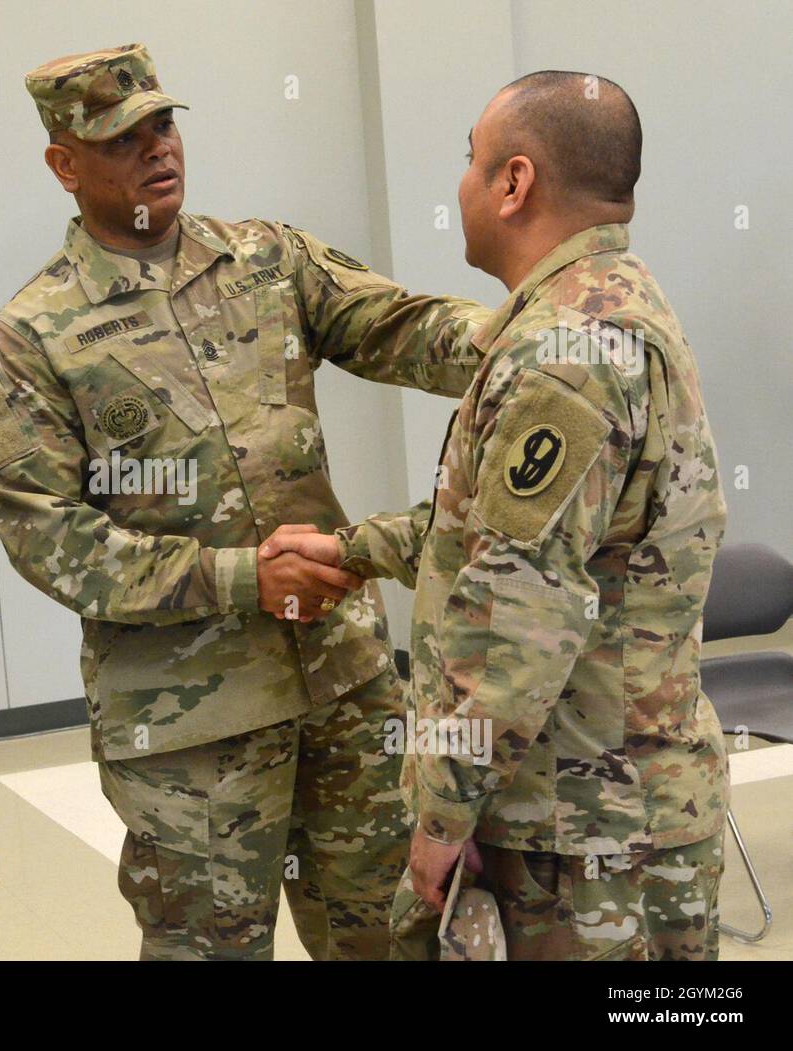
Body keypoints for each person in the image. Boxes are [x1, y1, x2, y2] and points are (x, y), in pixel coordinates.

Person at [0, 44, 489, 960]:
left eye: (163, 124)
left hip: (346, 683)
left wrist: (538, 334)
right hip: (188, 725)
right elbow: (47, 535)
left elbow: (401, 327)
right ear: (64, 163)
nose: (156, 148)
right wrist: (242, 577)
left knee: (395, 938)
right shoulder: (34, 337)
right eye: (122, 136)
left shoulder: (265, 259)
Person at [262, 71, 730, 960]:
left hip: (579, 832)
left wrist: (440, 814)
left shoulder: (565, 354)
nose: (463, 186)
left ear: (515, 183)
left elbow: (522, 610)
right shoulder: (609, 305)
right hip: (620, 805)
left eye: (470, 163)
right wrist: (356, 548)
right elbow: (505, 534)